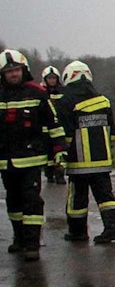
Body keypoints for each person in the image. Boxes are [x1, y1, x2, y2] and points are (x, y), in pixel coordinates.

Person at [0, 49, 66, 261]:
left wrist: (59, 152)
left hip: (31, 159)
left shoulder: (37, 92)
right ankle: (19, 238)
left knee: (32, 201)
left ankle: (32, 244)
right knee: (13, 201)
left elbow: (54, 125)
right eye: (8, 71)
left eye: (16, 69)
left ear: (24, 69)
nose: (13, 74)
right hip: (6, 160)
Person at [56, 61, 115, 243]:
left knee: (77, 199)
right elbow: (113, 131)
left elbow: (66, 133)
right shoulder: (103, 100)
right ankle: (114, 228)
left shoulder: (66, 101)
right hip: (101, 161)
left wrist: (62, 156)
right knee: (106, 196)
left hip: (78, 161)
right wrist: (108, 150)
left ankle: (78, 232)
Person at [41, 67, 66, 184]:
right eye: (49, 78)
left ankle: (60, 174)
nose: (52, 80)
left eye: (54, 78)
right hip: (45, 128)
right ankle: (49, 173)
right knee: (48, 153)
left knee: (60, 151)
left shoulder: (62, 92)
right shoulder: (41, 92)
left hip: (60, 127)